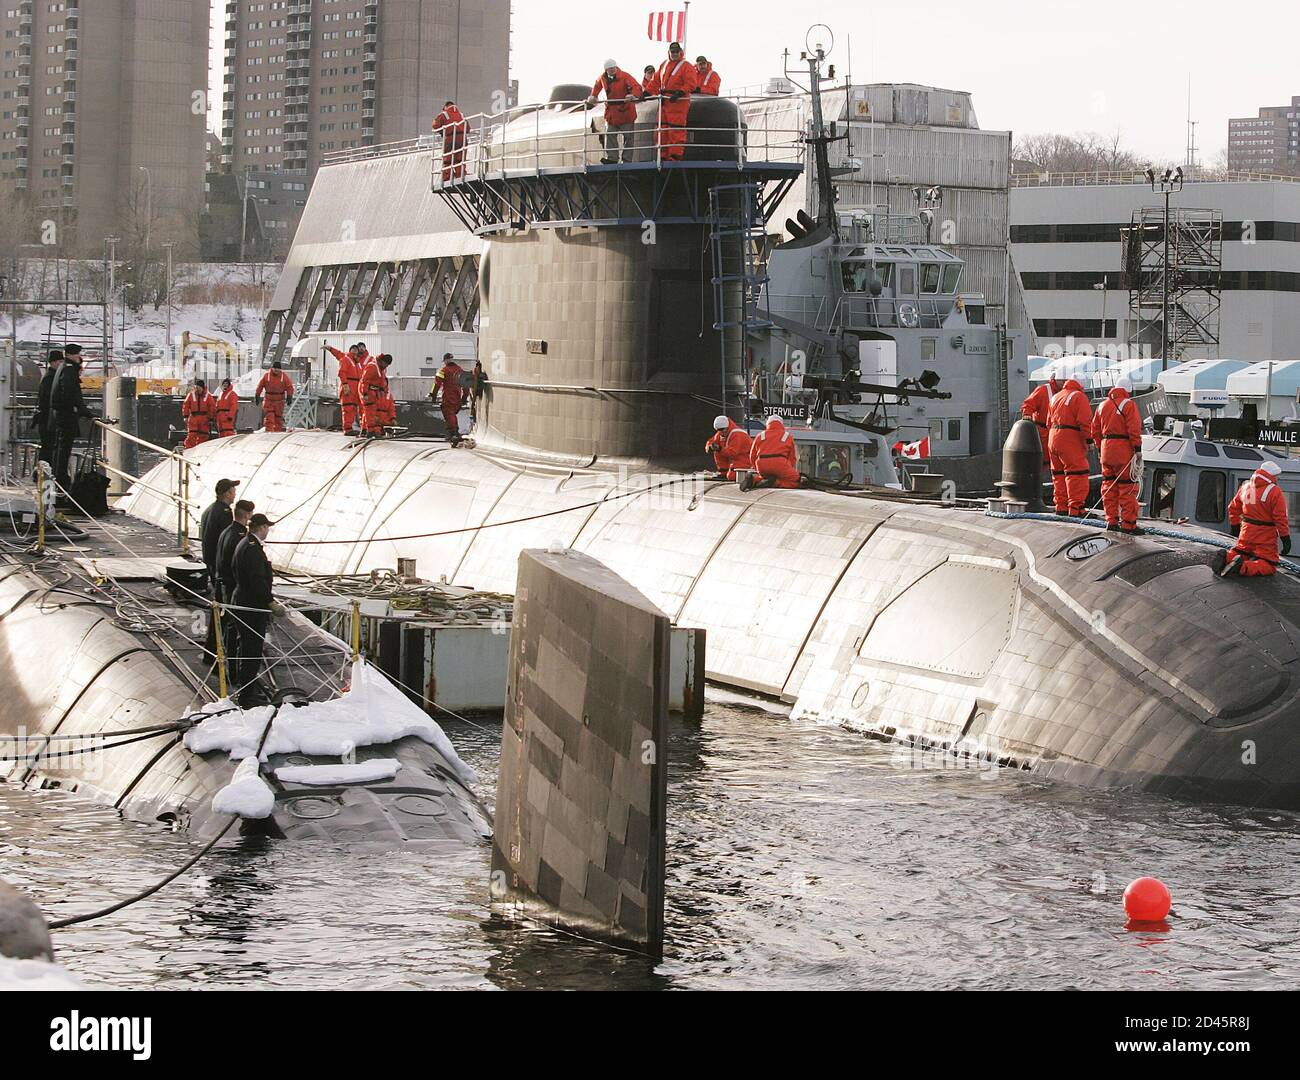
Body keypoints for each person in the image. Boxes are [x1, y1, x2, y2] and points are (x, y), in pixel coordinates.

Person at [231, 513, 281, 703]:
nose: (268, 530)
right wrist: (270, 602)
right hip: (250, 607)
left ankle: (245, 686)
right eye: (267, 527)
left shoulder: (244, 543)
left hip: (242, 601)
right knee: (251, 650)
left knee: (246, 647)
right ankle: (246, 695)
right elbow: (257, 580)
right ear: (261, 528)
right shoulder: (253, 549)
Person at [1219, 461, 1291, 577]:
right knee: (1268, 564)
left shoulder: (1246, 486)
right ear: (1272, 475)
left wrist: (1235, 527)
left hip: (1246, 531)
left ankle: (1226, 558)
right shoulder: (1275, 491)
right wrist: (1285, 538)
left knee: (1242, 551)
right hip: (1265, 534)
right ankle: (1242, 568)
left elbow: (1233, 508)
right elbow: (1280, 518)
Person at [1091, 380, 1144, 534]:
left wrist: (1100, 446)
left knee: (1109, 487)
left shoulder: (1102, 405)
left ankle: (1111, 521)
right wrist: (1138, 449)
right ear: (1128, 390)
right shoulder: (1128, 405)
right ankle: (1128, 525)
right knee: (1127, 488)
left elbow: (1095, 430)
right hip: (1123, 450)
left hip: (1106, 450)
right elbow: (1133, 428)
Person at [199, 478, 240, 659]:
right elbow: (227, 543)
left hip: (210, 562)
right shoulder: (224, 513)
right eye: (232, 491)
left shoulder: (210, 509)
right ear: (226, 493)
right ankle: (217, 652)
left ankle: (211, 649)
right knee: (224, 610)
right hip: (219, 567)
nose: (235, 494)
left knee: (218, 606)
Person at [216, 498, 255, 674]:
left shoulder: (227, 531)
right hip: (232, 588)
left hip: (224, 585)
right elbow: (236, 567)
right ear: (247, 515)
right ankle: (231, 669)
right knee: (233, 629)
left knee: (227, 626)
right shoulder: (238, 537)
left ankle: (226, 665)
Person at [49, 343, 93, 497]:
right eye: (78, 354)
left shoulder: (63, 368)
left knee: (61, 447)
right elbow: (70, 394)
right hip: (66, 415)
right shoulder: (68, 370)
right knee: (63, 448)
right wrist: (83, 411)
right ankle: (61, 480)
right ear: (73, 355)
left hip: (61, 414)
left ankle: (58, 477)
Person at [1046, 377, 1093, 516]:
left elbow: (1048, 421)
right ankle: (1076, 509)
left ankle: (1061, 506)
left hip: (1053, 437)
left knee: (1058, 473)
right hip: (1069, 439)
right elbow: (1085, 422)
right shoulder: (1079, 397)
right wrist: (1089, 441)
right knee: (1077, 473)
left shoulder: (1056, 396)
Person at [587, 59, 642, 164]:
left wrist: (633, 95)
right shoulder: (602, 78)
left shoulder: (625, 76)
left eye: (613, 68)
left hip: (625, 112)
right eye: (610, 69)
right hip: (611, 114)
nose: (612, 70)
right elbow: (597, 86)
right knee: (610, 134)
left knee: (628, 137)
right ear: (606, 70)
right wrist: (593, 96)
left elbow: (636, 86)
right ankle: (612, 158)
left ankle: (627, 160)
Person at [655, 41, 698, 161]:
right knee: (662, 128)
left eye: (676, 52)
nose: (674, 54)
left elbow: (691, 83)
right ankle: (663, 154)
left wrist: (680, 92)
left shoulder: (686, 66)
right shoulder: (664, 65)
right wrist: (646, 93)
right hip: (665, 100)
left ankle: (675, 154)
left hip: (678, 101)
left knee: (676, 127)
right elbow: (655, 81)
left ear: (680, 52)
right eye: (672, 52)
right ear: (669, 52)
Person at [749, 415, 801, 488]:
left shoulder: (760, 435)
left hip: (761, 464)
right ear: (781, 424)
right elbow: (792, 457)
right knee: (796, 480)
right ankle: (775, 483)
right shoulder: (787, 436)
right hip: (780, 464)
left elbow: (752, 456)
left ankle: (754, 480)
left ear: (768, 424)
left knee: (764, 477)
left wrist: (757, 468)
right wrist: (788, 468)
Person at [325, 341, 365, 434]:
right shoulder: (347, 359)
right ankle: (347, 429)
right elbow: (342, 372)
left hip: (355, 388)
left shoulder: (355, 362)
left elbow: (338, 353)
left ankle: (356, 427)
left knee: (353, 408)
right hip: (349, 387)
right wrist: (345, 384)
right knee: (348, 408)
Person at [1020, 377, 1058, 470]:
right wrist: (1027, 414)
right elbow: (1028, 404)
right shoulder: (1043, 390)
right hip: (1043, 432)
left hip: (1056, 433)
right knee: (1044, 460)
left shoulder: (1064, 393)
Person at [33, 350, 62, 468]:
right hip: (47, 419)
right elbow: (46, 400)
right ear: (53, 362)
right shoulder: (50, 378)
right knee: (47, 447)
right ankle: (43, 473)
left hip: (47, 418)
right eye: (60, 361)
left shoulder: (50, 377)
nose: (61, 364)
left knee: (47, 447)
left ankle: (43, 473)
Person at [705, 415, 752, 480]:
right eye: (718, 430)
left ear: (727, 427)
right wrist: (709, 447)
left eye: (722, 430)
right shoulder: (721, 433)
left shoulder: (737, 434)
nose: (720, 432)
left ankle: (750, 476)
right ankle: (723, 472)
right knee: (717, 450)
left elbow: (733, 453)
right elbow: (711, 441)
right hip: (736, 459)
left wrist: (720, 449)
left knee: (732, 476)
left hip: (744, 459)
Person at [432, 353, 465, 443]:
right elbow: (466, 384)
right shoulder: (460, 370)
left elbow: (436, 383)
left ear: (445, 361)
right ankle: (454, 432)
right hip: (458, 397)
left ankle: (453, 433)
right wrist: (464, 398)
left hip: (448, 397)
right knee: (453, 415)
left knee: (449, 414)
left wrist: (433, 395)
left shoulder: (444, 370)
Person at [255, 361, 294, 433]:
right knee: (269, 418)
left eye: (278, 368)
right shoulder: (267, 376)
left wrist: (289, 396)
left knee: (278, 419)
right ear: (272, 368)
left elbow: (289, 387)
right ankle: (269, 432)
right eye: (274, 368)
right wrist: (257, 395)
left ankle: (277, 433)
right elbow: (260, 386)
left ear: (280, 369)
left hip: (279, 402)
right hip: (269, 400)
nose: (276, 370)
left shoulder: (284, 377)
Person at [434, 100, 468, 182]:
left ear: (445, 107)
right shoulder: (461, 115)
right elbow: (468, 128)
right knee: (460, 160)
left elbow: (435, 126)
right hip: (462, 139)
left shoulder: (443, 114)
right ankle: (460, 176)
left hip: (450, 139)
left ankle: (447, 178)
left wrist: (442, 131)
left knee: (448, 159)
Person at [360, 352, 393, 437]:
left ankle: (368, 430)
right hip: (369, 391)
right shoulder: (372, 366)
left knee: (372, 411)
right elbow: (365, 380)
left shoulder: (380, 368)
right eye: (386, 364)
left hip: (374, 392)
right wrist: (365, 393)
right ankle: (370, 431)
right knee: (369, 411)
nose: (386, 366)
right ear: (382, 361)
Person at [181, 379, 217, 449]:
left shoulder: (208, 396)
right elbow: (186, 405)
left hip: (204, 419)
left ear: (202, 387)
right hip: (193, 417)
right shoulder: (191, 395)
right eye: (197, 387)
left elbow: (212, 407)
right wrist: (185, 416)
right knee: (192, 434)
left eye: (199, 387)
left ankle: (201, 449)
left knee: (203, 435)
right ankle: (189, 449)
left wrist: (211, 418)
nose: (198, 389)